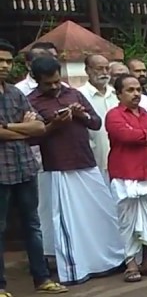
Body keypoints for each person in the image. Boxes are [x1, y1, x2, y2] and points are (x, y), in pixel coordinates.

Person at [27, 56, 128, 284]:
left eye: (57, 81)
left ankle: (109, 261)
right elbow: (31, 138)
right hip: (59, 168)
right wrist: (55, 124)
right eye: (48, 84)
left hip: (86, 161)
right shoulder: (31, 101)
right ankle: (77, 269)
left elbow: (95, 123)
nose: (54, 87)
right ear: (36, 80)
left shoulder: (72, 93)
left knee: (101, 214)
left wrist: (80, 114)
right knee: (70, 223)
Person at [0, 40, 64, 297]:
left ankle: (42, 278)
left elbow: (39, 127)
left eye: (8, 61)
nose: (4, 66)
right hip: (1, 171)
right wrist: (21, 129)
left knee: (32, 224)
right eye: (0, 61)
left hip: (25, 167)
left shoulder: (15, 93)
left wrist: (8, 128)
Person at [105, 74, 147, 282]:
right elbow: (125, 136)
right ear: (118, 94)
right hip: (125, 175)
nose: (136, 94)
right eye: (130, 90)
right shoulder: (114, 115)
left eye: (138, 90)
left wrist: (143, 135)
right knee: (128, 222)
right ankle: (131, 264)